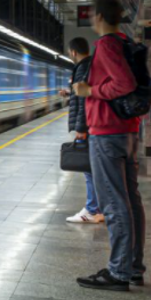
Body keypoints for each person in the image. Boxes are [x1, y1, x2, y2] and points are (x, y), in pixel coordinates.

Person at [71, 0, 145, 291]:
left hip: (107, 132)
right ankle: (133, 266)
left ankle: (119, 272)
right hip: (126, 130)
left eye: (93, 15)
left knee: (114, 203)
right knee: (130, 201)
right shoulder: (125, 42)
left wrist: (89, 91)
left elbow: (124, 84)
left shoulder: (107, 44)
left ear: (99, 17)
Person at [58, 37, 102, 224]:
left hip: (88, 126)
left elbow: (85, 100)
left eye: (70, 52)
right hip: (92, 125)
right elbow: (82, 93)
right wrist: (70, 93)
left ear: (73, 52)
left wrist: (81, 128)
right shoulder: (88, 66)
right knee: (92, 169)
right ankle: (98, 208)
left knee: (89, 169)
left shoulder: (83, 68)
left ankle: (92, 210)